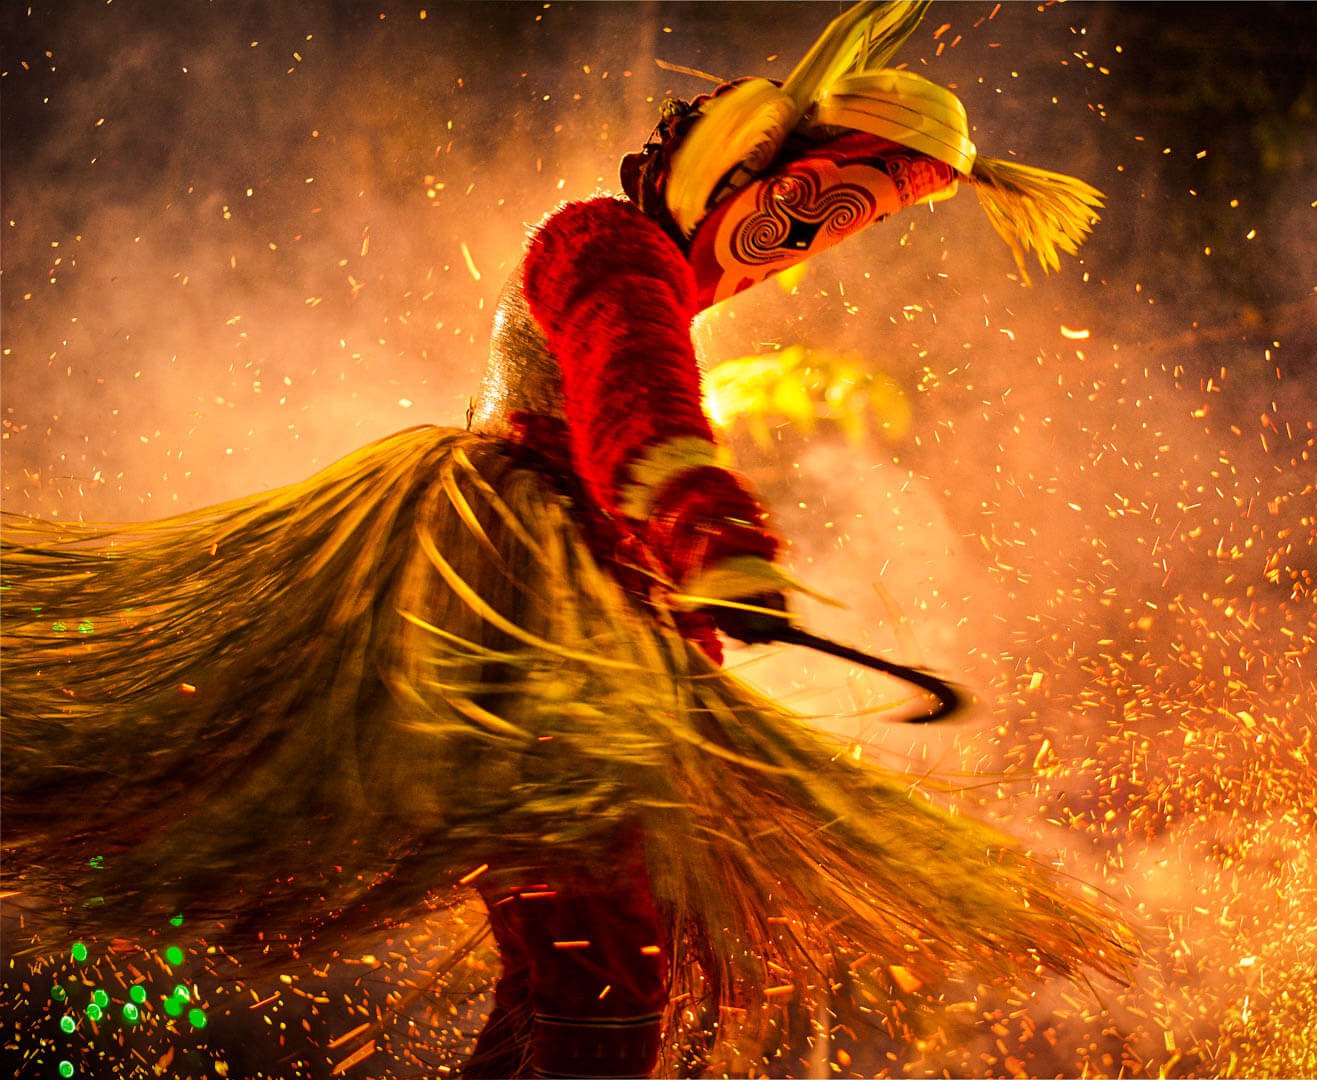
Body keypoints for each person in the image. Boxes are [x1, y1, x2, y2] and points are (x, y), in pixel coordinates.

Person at [1, 4, 1129, 1076]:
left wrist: (683, 599)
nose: (799, 252)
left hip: (567, 617)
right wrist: (714, 542)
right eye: (814, 209)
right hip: (520, 619)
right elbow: (631, 391)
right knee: (604, 943)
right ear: (748, 168)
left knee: (591, 950)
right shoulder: (604, 245)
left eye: (842, 235)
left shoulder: (655, 269)